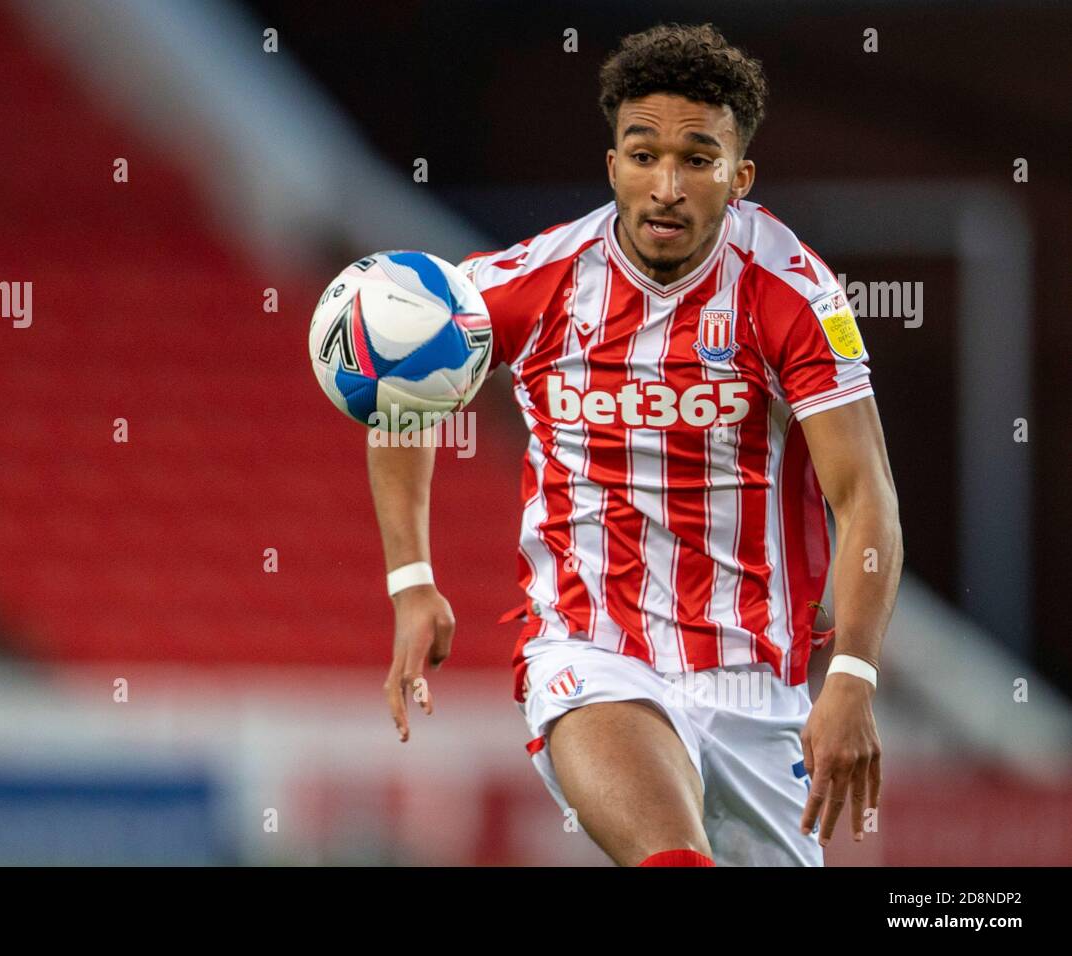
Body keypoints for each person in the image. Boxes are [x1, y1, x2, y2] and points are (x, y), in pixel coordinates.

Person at [368, 22, 902, 866]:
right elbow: (401, 384)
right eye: (643, 153)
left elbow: (864, 495)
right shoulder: (535, 281)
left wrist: (855, 676)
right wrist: (411, 580)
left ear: (739, 176)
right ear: (612, 163)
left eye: (697, 158)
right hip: (591, 654)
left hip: (755, 685)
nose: (667, 184)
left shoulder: (793, 293)